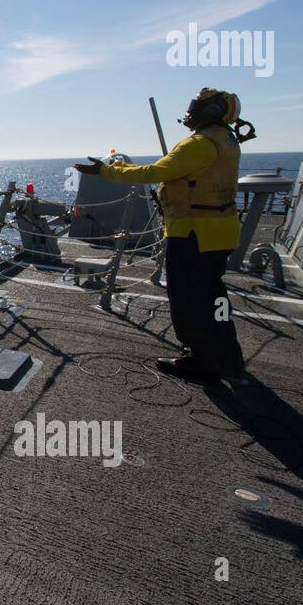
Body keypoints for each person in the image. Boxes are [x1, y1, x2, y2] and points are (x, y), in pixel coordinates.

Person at [75, 88, 255, 387]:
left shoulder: (200, 143)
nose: (190, 110)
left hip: (194, 231)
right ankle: (227, 356)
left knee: (187, 298)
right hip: (218, 232)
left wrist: (108, 171)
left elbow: (154, 172)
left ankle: (200, 359)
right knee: (212, 297)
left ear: (210, 111)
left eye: (196, 106)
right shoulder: (226, 139)